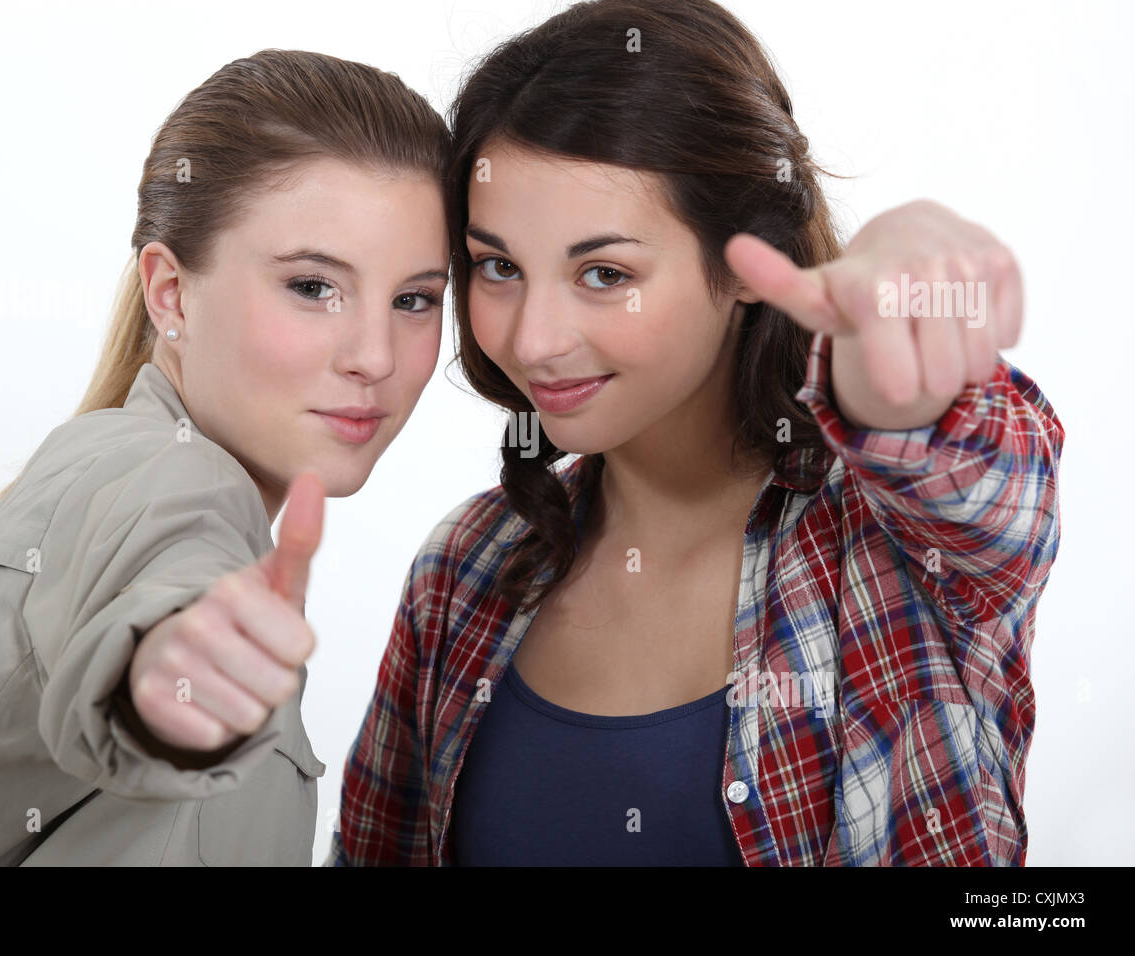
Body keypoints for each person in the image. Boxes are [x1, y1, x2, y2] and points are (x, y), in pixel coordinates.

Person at [327, 0, 1064, 866]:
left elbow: (983, 470)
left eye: (604, 273)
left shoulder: (897, 543)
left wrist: (886, 372)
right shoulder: (465, 568)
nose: (533, 339)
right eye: (499, 267)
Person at [0, 48, 450, 866]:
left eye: (415, 299)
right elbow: (164, 580)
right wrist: (170, 680)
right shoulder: (162, 475)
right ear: (171, 294)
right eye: (312, 286)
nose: (375, 354)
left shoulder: (122, 461)